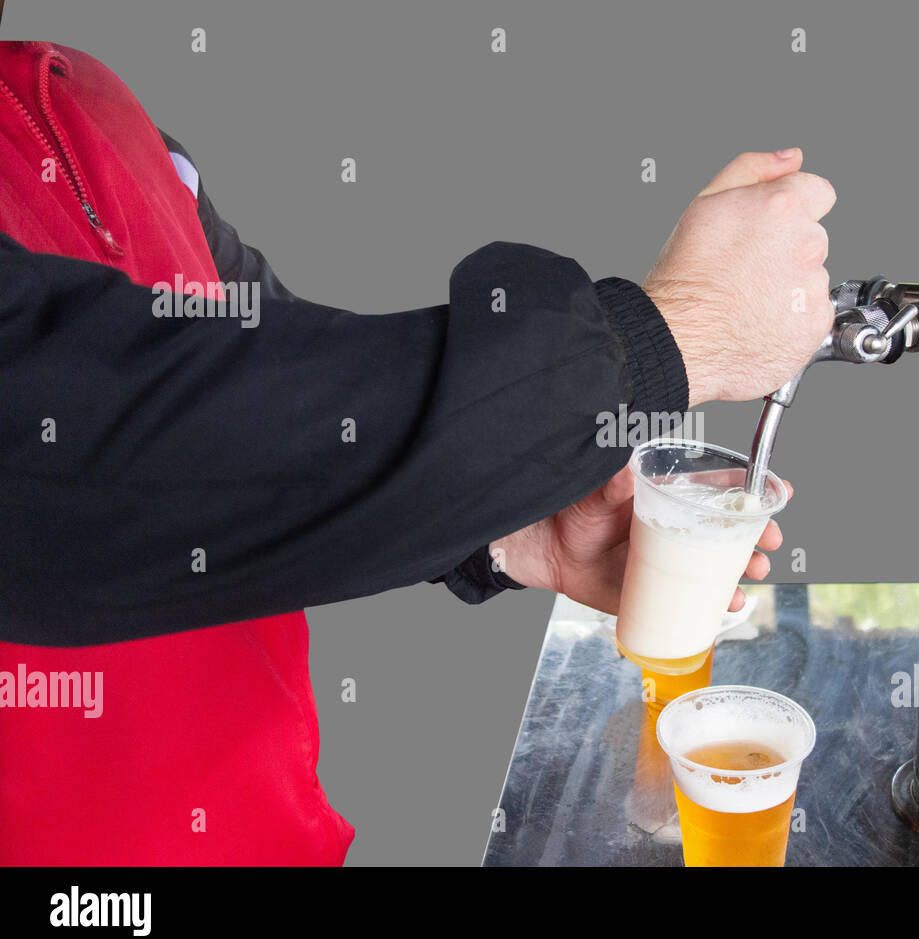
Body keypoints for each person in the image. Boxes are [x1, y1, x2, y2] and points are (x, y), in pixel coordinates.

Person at [0, 27, 836, 864]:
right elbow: (79, 437)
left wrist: (501, 527)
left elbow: (269, 411)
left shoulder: (84, 102)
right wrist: (667, 337)